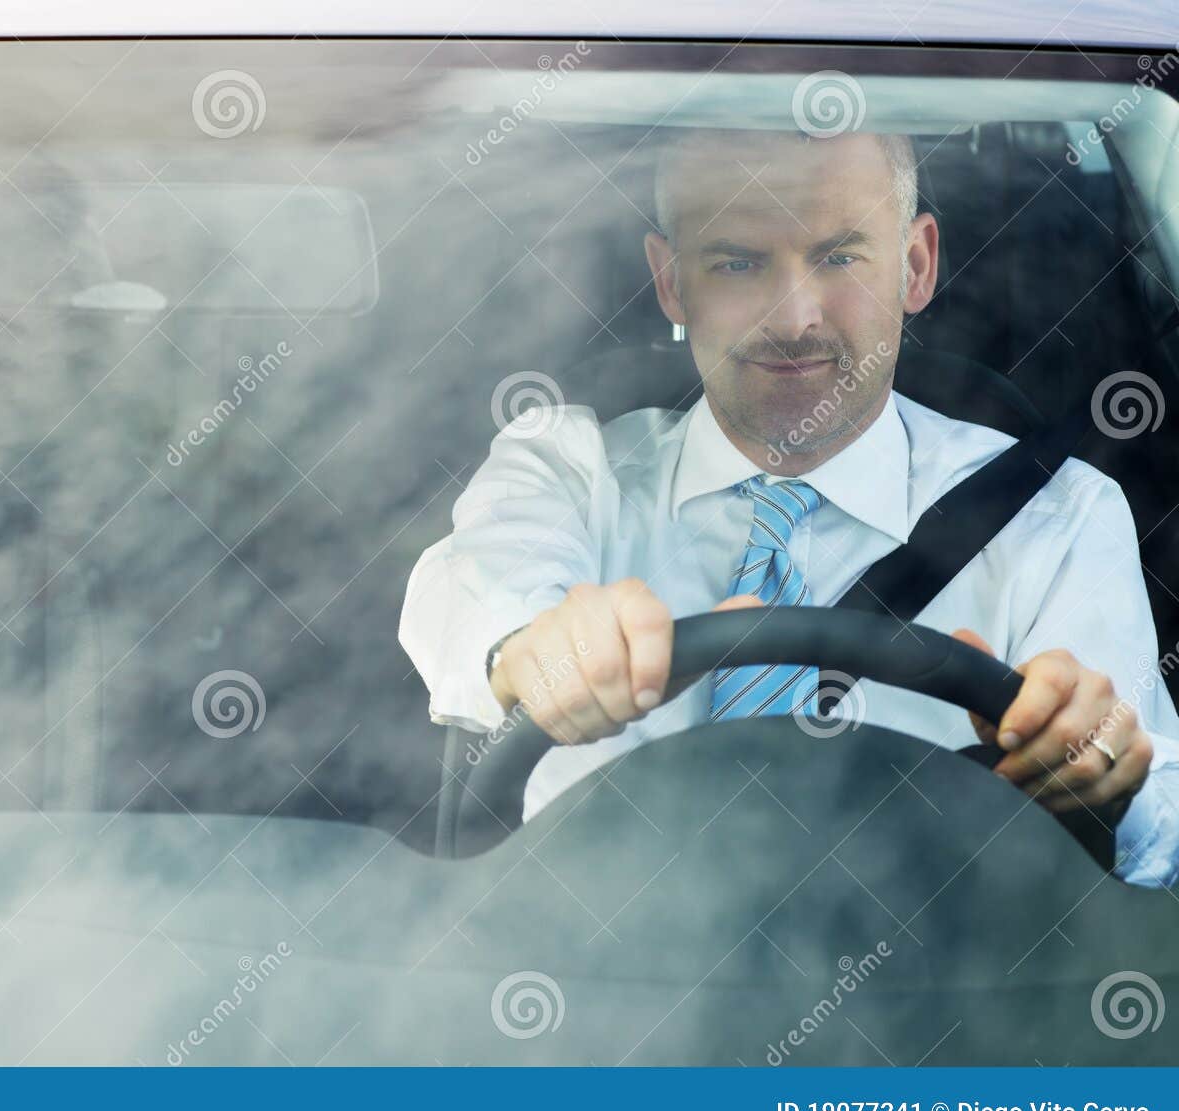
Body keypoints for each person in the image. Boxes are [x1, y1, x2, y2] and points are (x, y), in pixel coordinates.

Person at [399, 129, 1178, 887]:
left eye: (839, 257)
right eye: (737, 263)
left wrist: (1108, 778)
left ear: (915, 266)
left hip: (941, 967)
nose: (793, 318)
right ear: (671, 282)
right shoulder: (570, 471)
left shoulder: (1056, 519)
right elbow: (470, 588)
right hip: (588, 962)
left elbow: (1162, 826)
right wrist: (528, 647)